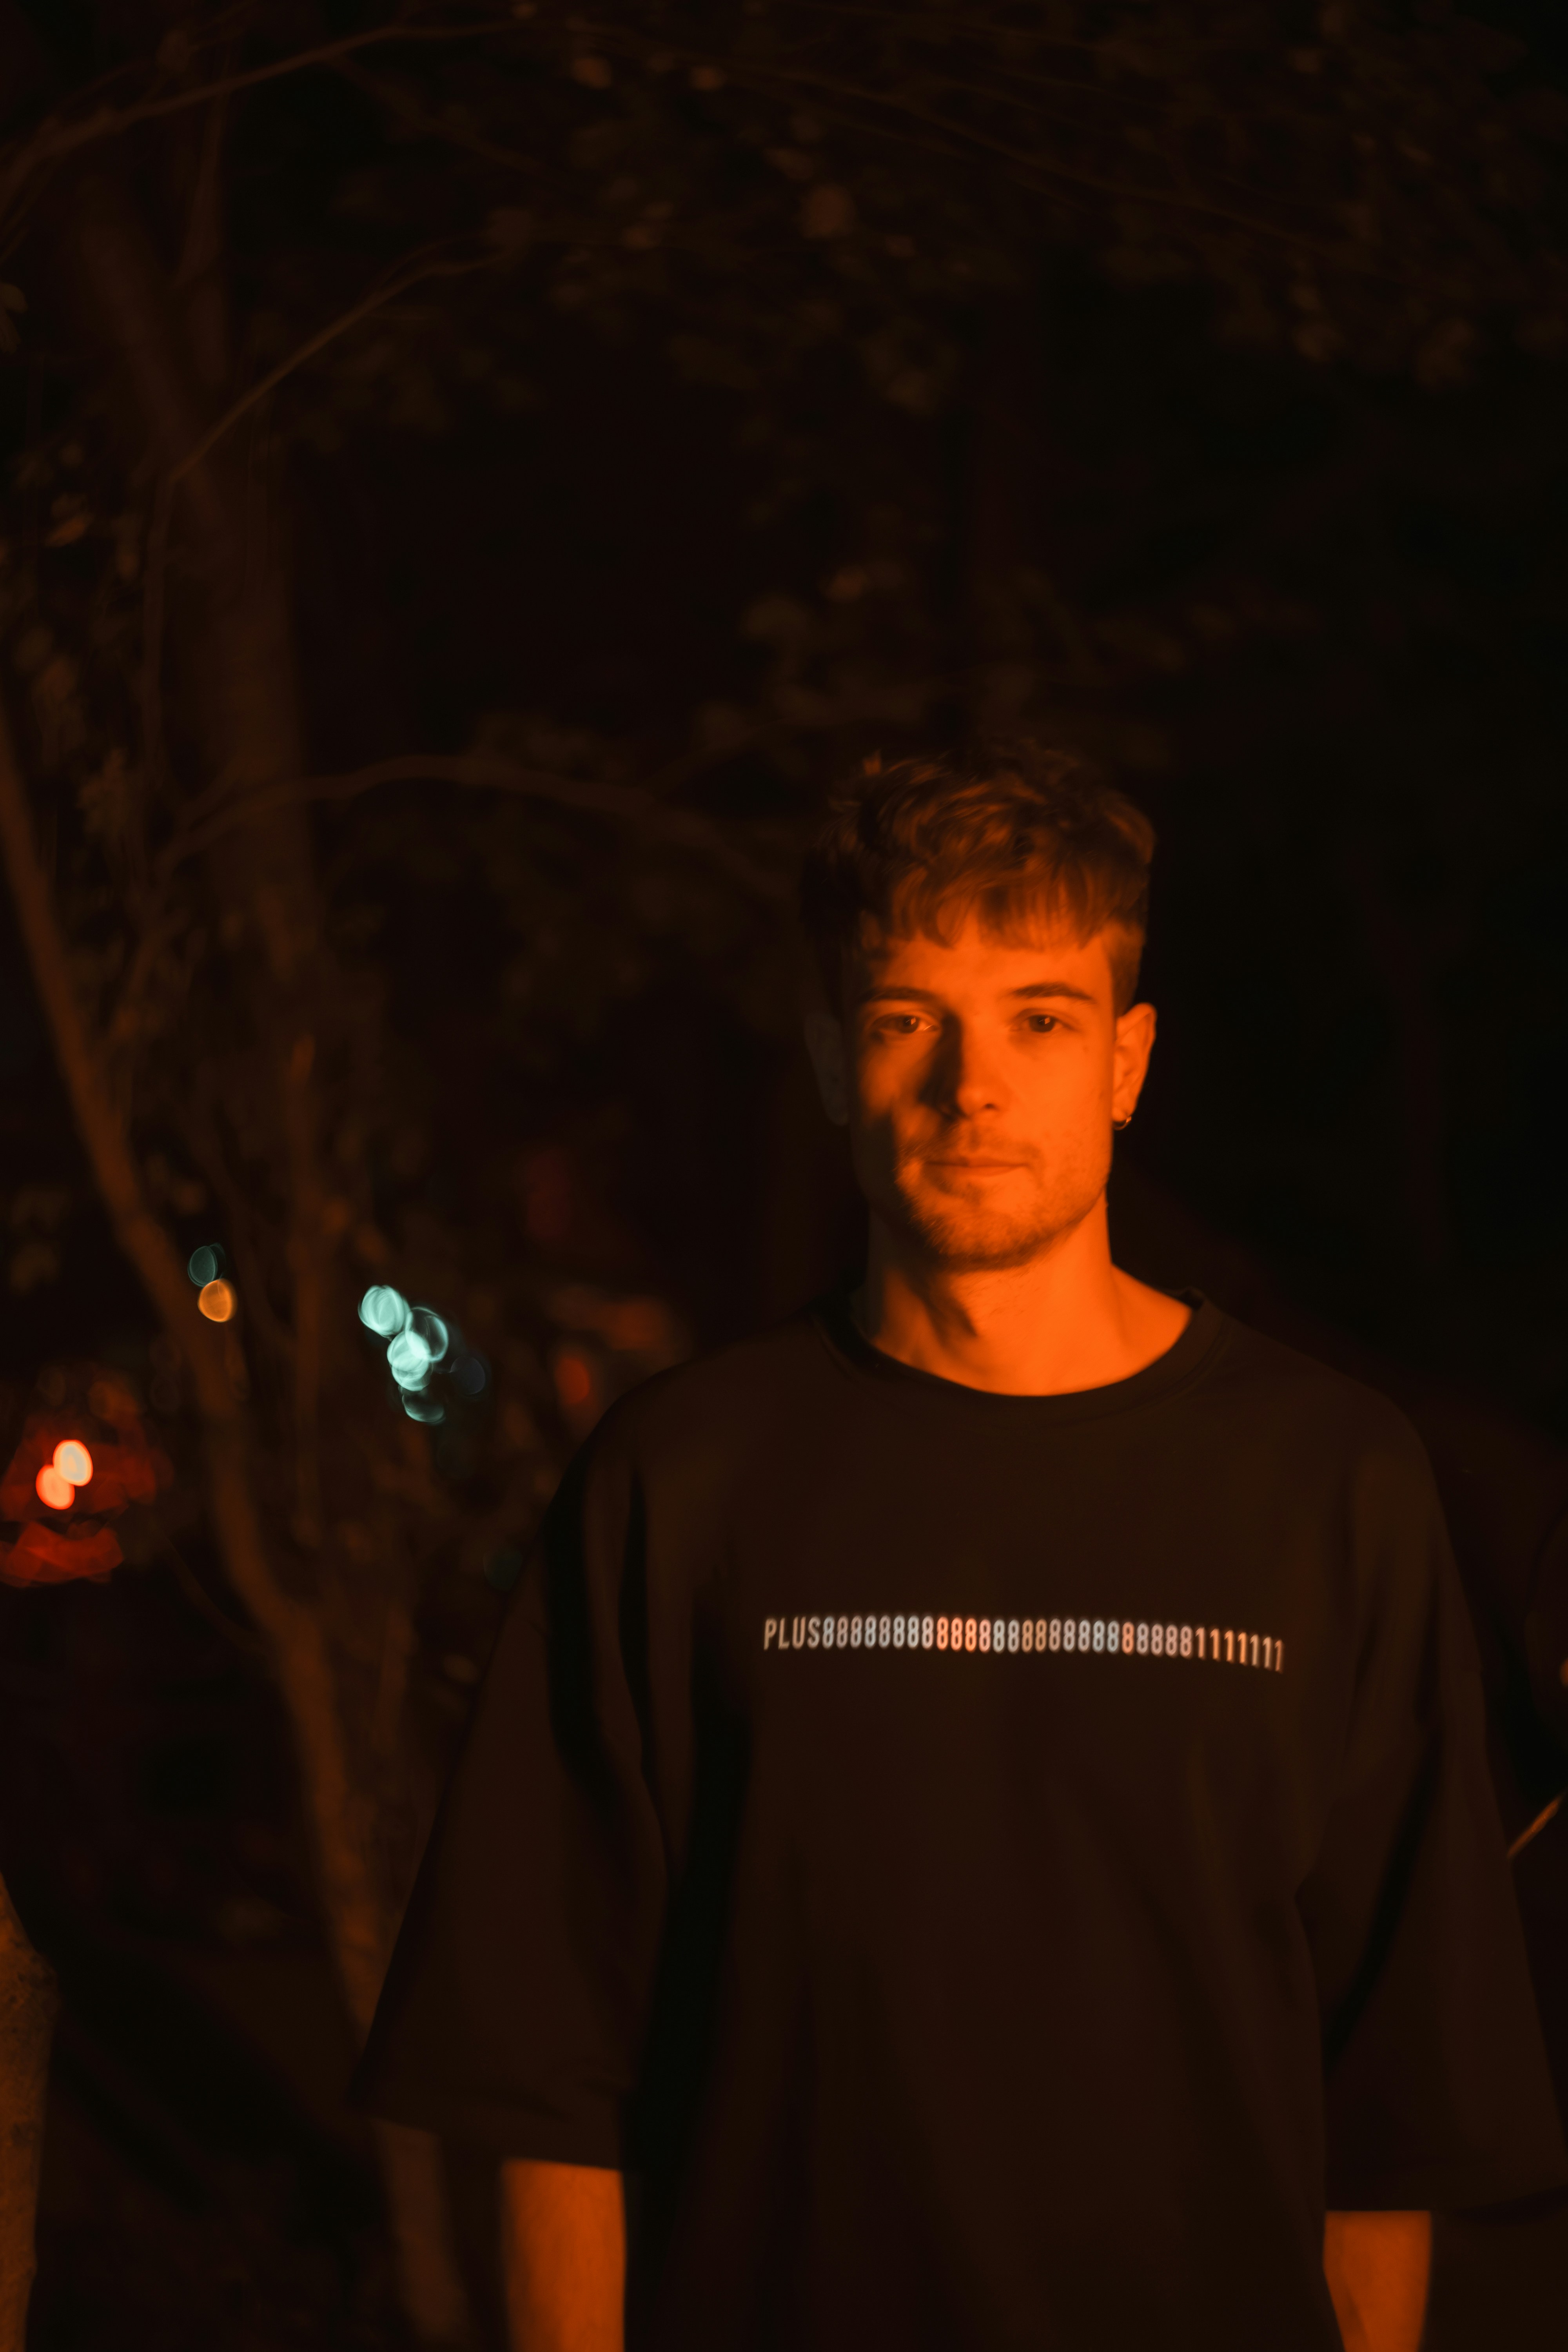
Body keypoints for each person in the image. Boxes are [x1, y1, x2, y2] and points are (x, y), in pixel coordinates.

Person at [355, 747, 1566, 2351]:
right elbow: (545, 2080)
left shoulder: (1329, 1481)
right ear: (827, 1059)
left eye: (1039, 1020)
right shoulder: (685, 1475)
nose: (969, 1086)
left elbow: (1390, 2100)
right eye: (905, 1018)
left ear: (1127, 1062)